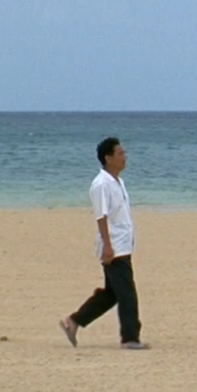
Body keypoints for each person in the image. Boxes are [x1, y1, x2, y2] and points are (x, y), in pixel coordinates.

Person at [59, 137, 149, 350]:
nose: (124, 157)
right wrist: (108, 246)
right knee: (126, 293)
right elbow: (101, 217)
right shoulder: (101, 184)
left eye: (123, 153)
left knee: (111, 294)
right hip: (114, 248)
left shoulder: (117, 182)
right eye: (120, 154)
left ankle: (73, 322)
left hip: (123, 245)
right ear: (108, 158)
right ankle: (130, 338)